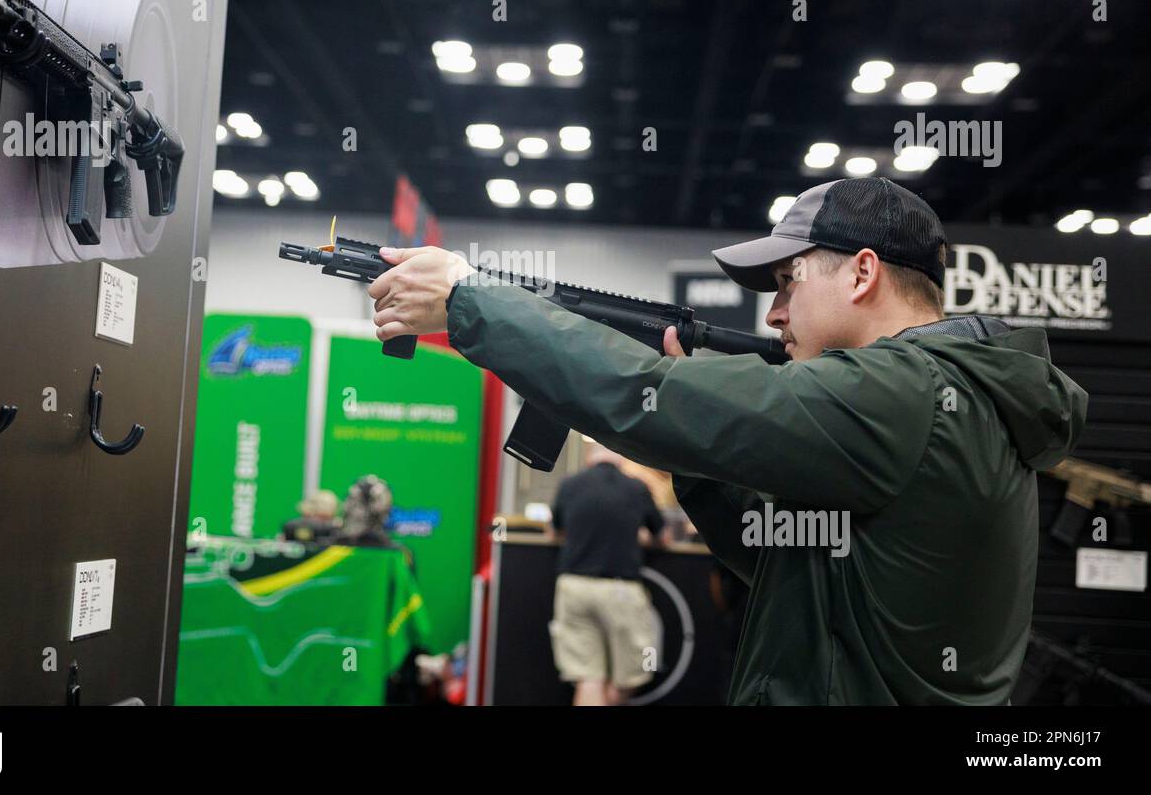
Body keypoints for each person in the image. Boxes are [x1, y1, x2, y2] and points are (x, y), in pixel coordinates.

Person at [365, 177, 1088, 705]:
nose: (773, 314)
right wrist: (695, 452)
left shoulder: (903, 392)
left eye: (787, 282)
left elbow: (644, 400)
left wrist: (470, 298)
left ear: (863, 272)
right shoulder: (942, 398)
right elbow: (784, 555)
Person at [547, 442, 669, 705]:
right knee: (632, 675)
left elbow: (554, 531)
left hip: (574, 587)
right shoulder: (636, 488)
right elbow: (663, 536)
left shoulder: (569, 484)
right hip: (620, 591)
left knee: (588, 677)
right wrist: (640, 536)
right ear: (622, 460)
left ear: (590, 458)